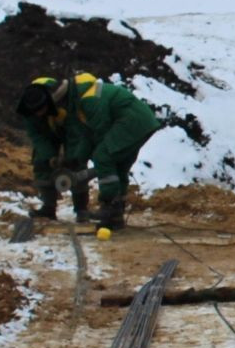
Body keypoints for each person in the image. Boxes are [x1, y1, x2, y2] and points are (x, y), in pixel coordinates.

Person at [65, 72, 161, 230]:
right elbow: (89, 134)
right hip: (142, 122)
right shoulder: (86, 97)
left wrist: (96, 160)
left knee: (103, 156)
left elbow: (100, 130)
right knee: (119, 166)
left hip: (131, 121)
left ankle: (109, 206)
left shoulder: (89, 100)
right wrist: (78, 159)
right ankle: (116, 214)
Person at [15, 76, 88, 222]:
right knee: (41, 162)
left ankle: (81, 209)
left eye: (41, 110)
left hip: (68, 128)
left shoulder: (66, 101)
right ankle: (48, 208)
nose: (38, 113)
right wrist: (49, 156)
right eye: (35, 112)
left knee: (76, 164)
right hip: (48, 131)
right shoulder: (27, 107)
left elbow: (75, 133)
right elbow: (37, 136)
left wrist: (70, 157)